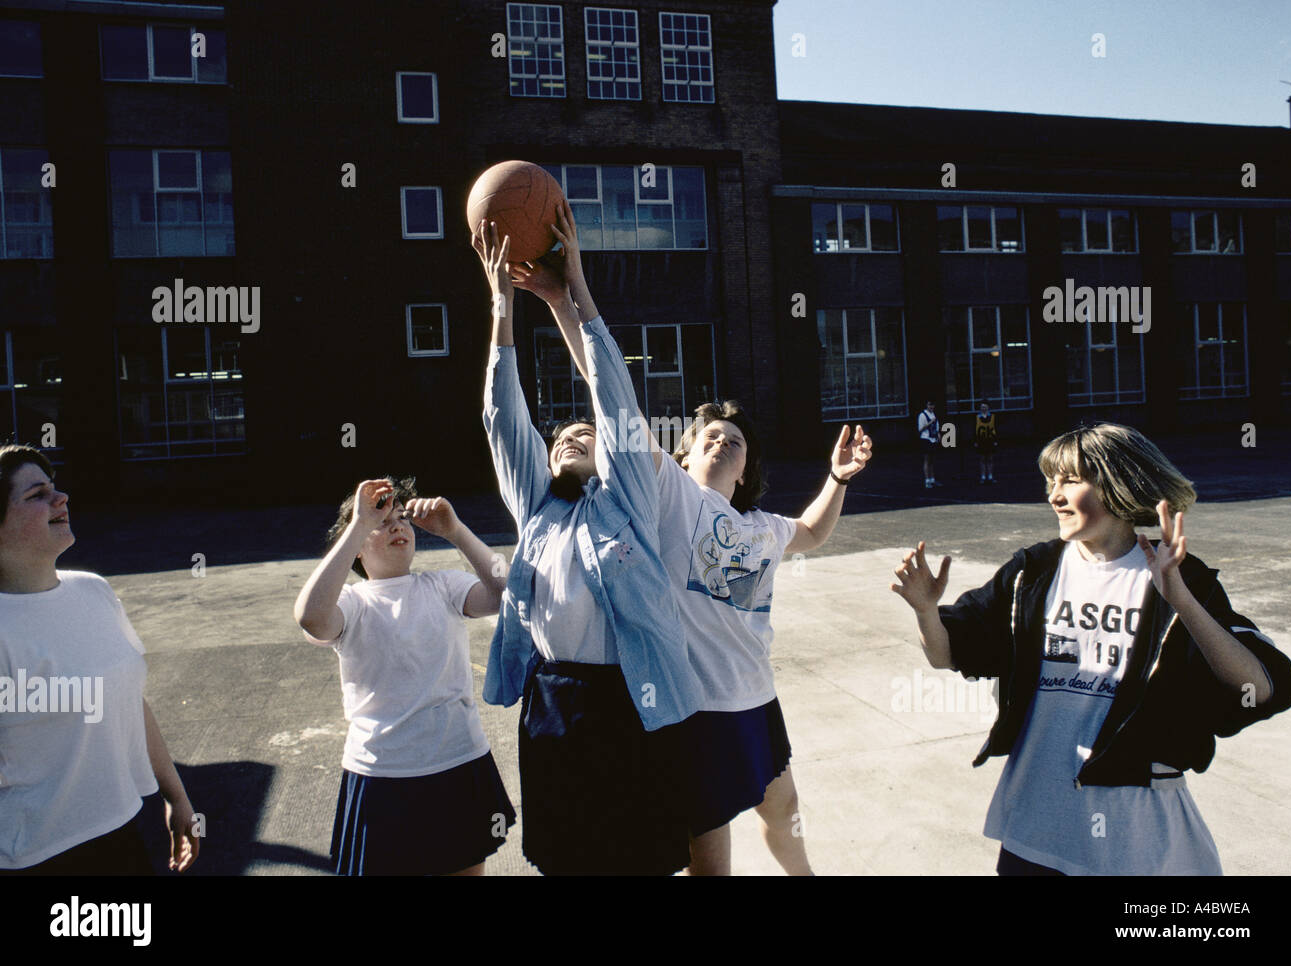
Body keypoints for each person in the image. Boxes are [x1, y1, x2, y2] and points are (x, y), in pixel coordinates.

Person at [511, 205, 872, 876]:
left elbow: (816, 531)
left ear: (747, 467)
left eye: (732, 439)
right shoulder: (671, 498)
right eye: (707, 433)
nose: (718, 439)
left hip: (757, 700)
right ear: (684, 453)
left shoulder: (762, 528)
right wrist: (568, 297)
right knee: (709, 860)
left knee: (784, 825)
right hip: (694, 710)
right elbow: (607, 391)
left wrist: (836, 476)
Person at [891, 423, 1291, 875]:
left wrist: (1181, 601)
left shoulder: (1178, 576)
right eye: (1050, 483)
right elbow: (948, 653)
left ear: (1118, 485)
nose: (1054, 496)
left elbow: (1260, 689)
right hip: (1035, 821)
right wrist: (927, 612)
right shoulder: (1033, 572)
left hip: (1134, 832)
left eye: (1070, 481)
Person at [474, 217, 705, 875]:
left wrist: (576, 286)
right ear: (545, 460)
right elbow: (500, 417)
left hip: (634, 697)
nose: (573, 436)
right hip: (554, 702)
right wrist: (502, 307)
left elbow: (617, 406)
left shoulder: (627, 502)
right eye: (560, 437)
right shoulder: (536, 511)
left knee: (640, 861)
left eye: (585, 433)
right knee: (567, 861)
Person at [294, 477, 514, 875]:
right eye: (382, 522)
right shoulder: (352, 602)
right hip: (383, 772)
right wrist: (358, 523)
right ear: (357, 546)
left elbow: (507, 590)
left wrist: (456, 531)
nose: (397, 526)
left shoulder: (443, 585)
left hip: (458, 760)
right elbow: (310, 616)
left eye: (402, 519)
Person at [0, 444, 199, 875]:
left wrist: (176, 797)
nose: (61, 499)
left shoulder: (94, 591)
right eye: (36, 495)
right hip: (35, 856)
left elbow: (129, 699)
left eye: (55, 488)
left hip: (121, 833)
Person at [918, 400, 941, 488]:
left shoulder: (933, 414)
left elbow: (936, 427)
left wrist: (938, 435)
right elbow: (920, 429)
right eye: (929, 405)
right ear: (926, 405)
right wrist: (930, 423)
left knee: (932, 460)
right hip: (926, 439)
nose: (931, 407)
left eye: (932, 405)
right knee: (927, 460)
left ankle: (932, 479)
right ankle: (927, 480)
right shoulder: (922, 415)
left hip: (933, 439)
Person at [974, 400, 997, 483]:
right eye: (982, 407)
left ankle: (990, 476)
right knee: (982, 459)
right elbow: (975, 430)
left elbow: (995, 429)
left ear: (988, 407)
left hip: (990, 440)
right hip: (981, 441)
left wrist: (995, 440)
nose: (983, 408)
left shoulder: (992, 417)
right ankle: (983, 476)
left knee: (990, 458)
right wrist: (976, 441)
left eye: (985, 406)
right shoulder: (977, 417)